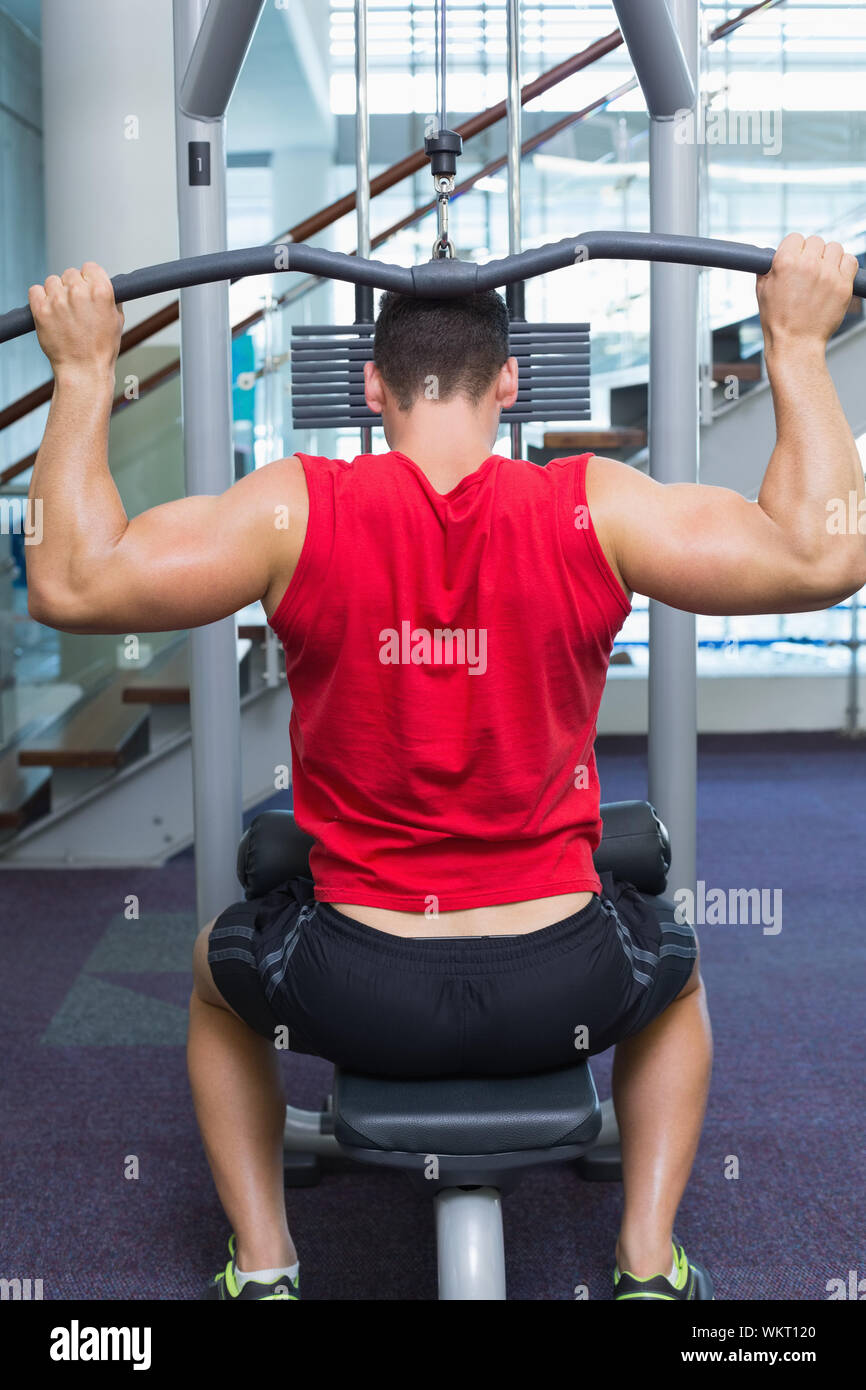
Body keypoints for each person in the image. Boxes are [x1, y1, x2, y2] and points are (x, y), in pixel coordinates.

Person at [25, 234, 865, 1301]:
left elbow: (70, 580)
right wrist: (794, 342)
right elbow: (822, 553)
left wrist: (87, 370)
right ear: (509, 382)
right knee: (678, 974)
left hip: (352, 979)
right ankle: (646, 1263)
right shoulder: (592, 504)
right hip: (562, 973)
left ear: (372, 384)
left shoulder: (295, 507)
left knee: (209, 977)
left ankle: (268, 1262)